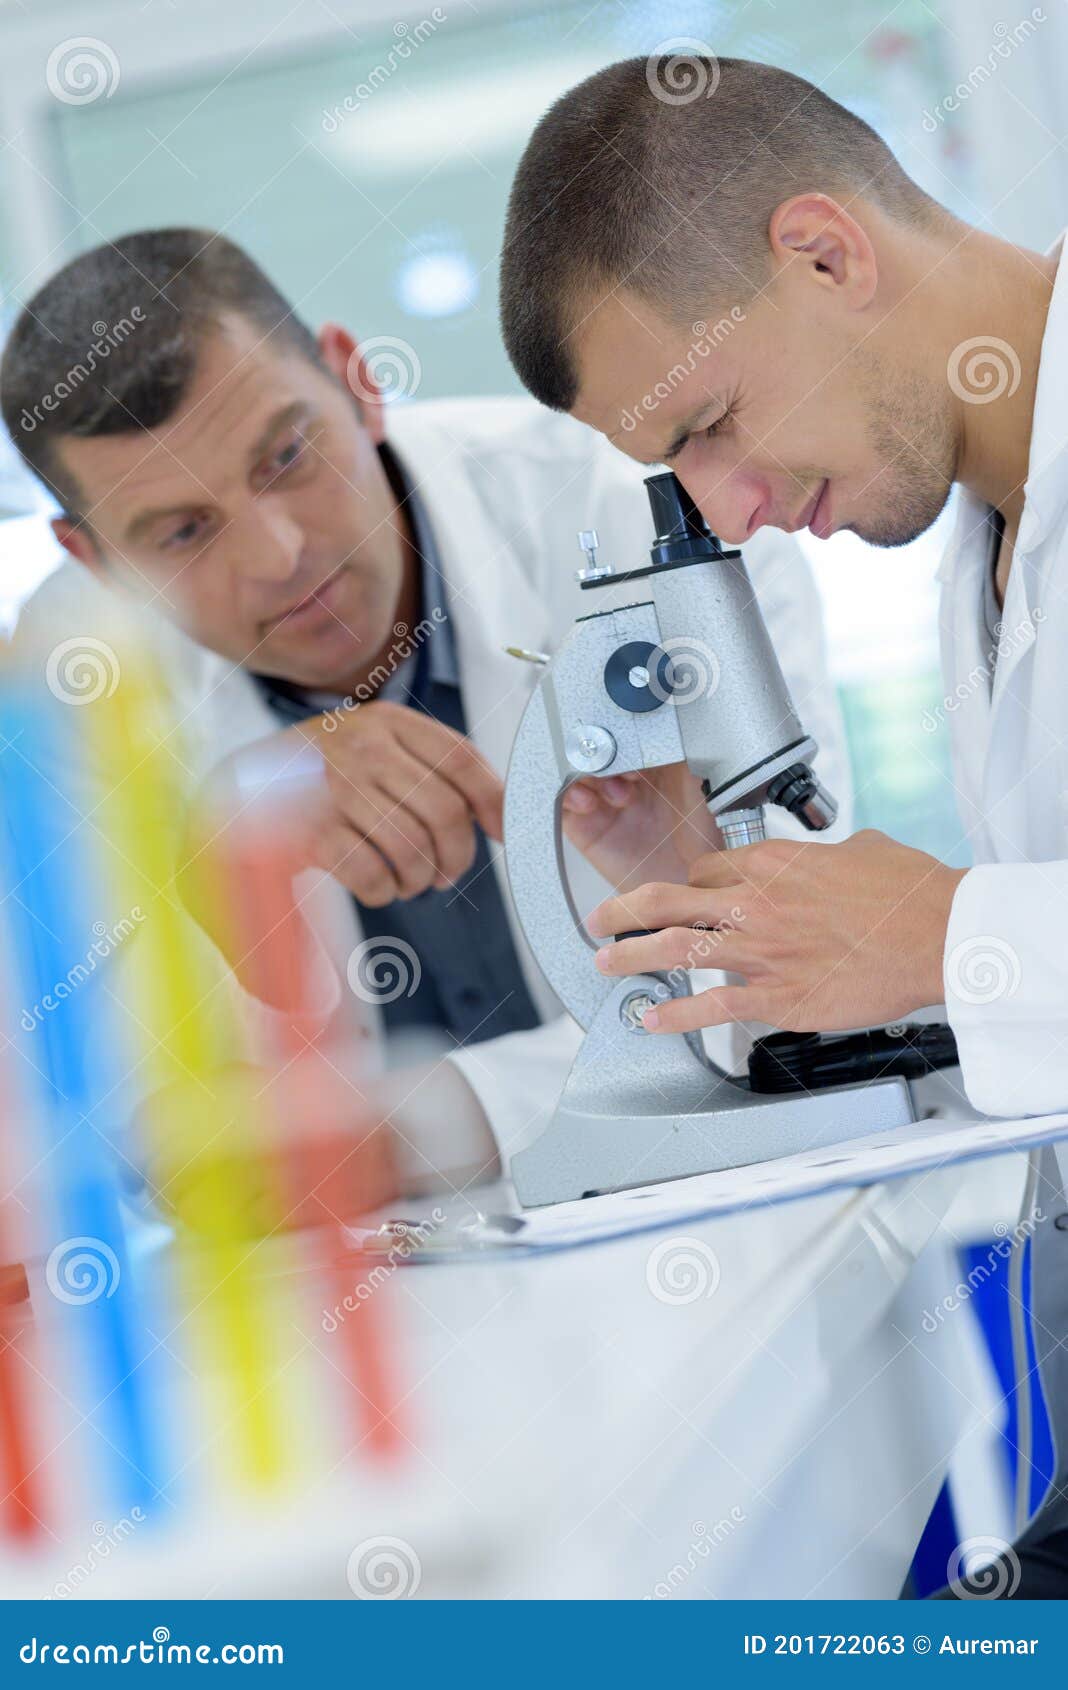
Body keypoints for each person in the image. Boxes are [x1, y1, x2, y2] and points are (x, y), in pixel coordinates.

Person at [498, 52, 1068, 1598]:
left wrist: (953, 935)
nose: (731, 510)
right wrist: (713, 897)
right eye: (678, 469)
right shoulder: (995, 537)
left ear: (825, 251)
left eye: (716, 419)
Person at [0, 227, 848, 1225]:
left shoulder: (635, 519)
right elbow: (96, 1125)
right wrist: (209, 843)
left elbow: (809, 969)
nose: (279, 553)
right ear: (92, 558)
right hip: (349, 1325)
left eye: (287, 455)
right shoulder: (62, 689)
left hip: (741, 1221)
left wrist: (413, 1128)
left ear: (358, 383)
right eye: (184, 532)